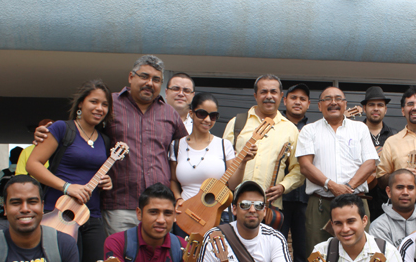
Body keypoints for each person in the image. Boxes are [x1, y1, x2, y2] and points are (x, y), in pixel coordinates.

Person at [34, 55, 188, 236]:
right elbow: (82, 132)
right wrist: (46, 133)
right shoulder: (110, 104)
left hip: (158, 206)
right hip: (118, 205)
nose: (150, 83)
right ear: (131, 77)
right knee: (118, 260)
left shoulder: (169, 113)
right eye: (144, 76)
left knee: (154, 261)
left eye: (156, 80)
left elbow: (187, 150)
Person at [26, 80, 116, 262]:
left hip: (91, 215)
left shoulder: (104, 139)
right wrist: (67, 186)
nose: (99, 108)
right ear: (80, 104)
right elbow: (33, 164)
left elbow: (94, 171)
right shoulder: (61, 129)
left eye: (104, 104)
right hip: (59, 214)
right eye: (93, 101)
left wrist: (106, 180)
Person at [295, 86, 379, 253]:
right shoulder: (309, 130)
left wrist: (348, 189)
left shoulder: (360, 128)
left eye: (338, 99)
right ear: (319, 106)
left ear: (345, 104)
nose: (333, 102)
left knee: (361, 252)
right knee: (318, 254)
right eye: (327, 99)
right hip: (320, 204)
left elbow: (370, 162)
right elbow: (305, 166)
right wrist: (331, 185)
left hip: (356, 201)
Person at [223, 75, 301, 216]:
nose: (269, 96)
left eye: (273, 92)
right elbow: (222, 161)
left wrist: (283, 187)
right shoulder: (237, 122)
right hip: (235, 205)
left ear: (281, 96)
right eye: (263, 92)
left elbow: (298, 168)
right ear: (255, 95)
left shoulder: (290, 129)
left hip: (269, 207)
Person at [171, 92, 244, 226]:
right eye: (202, 114)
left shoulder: (224, 145)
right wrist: (178, 198)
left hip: (217, 214)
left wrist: (243, 162)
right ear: (191, 114)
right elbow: (173, 180)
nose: (208, 120)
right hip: (185, 215)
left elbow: (233, 184)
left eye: (213, 116)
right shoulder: (177, 145)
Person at [281, 83, 312, 262]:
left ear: (308, 104)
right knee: (277, 249)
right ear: (285, 100)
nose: (297, 102)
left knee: (304, 252)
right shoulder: (275, 126)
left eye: (302, 99)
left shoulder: (313, 129)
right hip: (279, 198)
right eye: (293, 98)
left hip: (306, 200)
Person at [368, 169, 416, 247]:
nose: (405, 192)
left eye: (410, 188)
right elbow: (386, 258)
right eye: (400, 188)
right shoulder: (378, 226)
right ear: (389, 192)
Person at [0, 147, 22, 235]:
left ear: (10, 159)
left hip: (2, 217)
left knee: (1, 244)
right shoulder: (26, 174)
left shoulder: (2, 174)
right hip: (20, 218)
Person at [361, 86, 395, 153]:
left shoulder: (394, 135)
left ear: (385, 110)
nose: (376, 109)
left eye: (380, 105)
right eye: (371, 105)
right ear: (364, 109)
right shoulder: (356, 133)